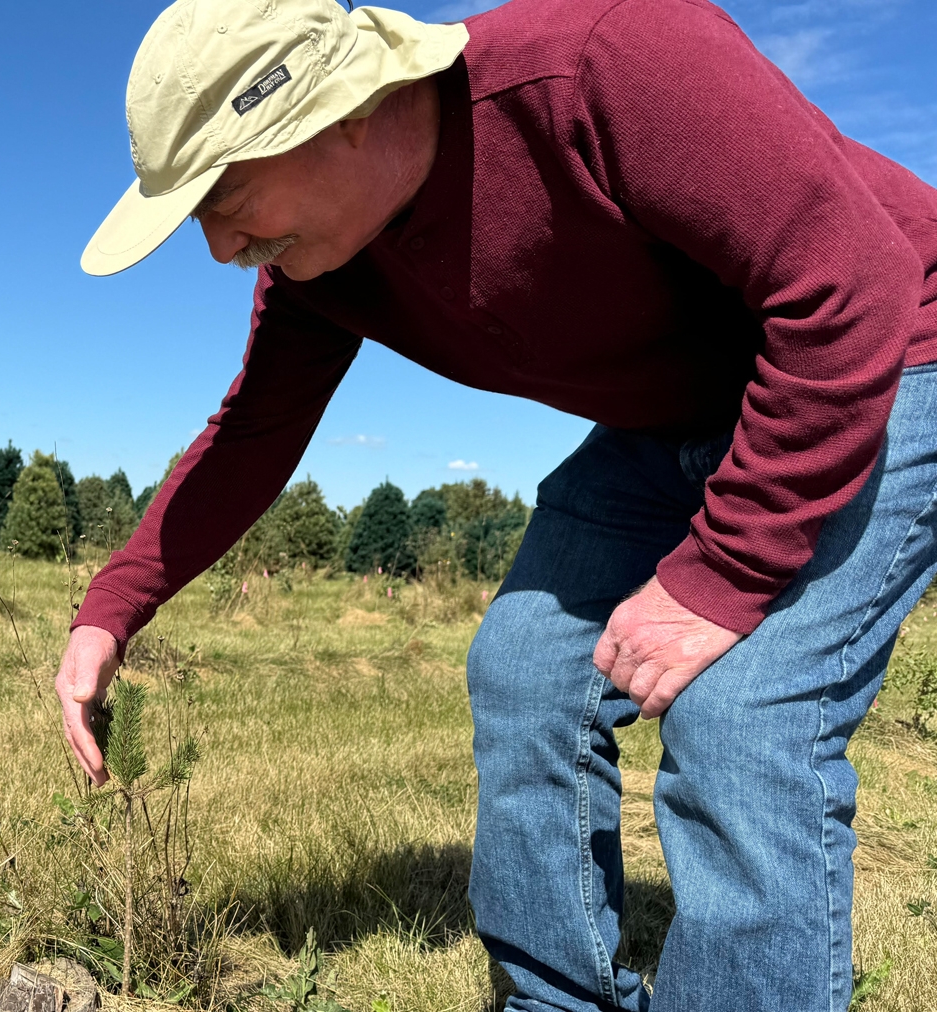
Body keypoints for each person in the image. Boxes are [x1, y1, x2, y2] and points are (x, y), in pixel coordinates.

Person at [53, 0, 937, 1008]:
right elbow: (252, 433)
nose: (217, 247)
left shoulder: (609, 63)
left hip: (889, 347)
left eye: (223, 191)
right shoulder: (317, 268)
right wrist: (111, 609)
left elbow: (850, 283)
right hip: (683, 409)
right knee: (523, 670)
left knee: (742, 719)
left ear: (340, 113)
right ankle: (556, 996)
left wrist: (726, 571)